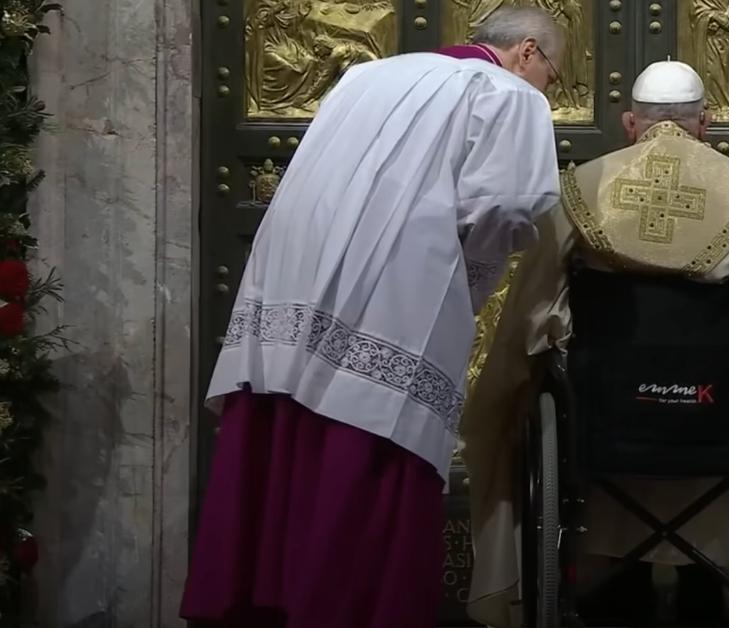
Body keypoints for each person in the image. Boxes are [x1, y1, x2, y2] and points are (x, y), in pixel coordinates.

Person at [179, 8, 564, 628]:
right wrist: (471, 283)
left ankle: (260, 599)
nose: (548, 85)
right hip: (396, 291)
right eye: (553, 71)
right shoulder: (507, 95)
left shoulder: (367, 76)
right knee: (365, 446)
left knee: (288, 429)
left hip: (295, 276)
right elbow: (505, 207)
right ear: (526, 53)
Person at [461, 60, 729, 627]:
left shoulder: (578, 191)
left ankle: (606, 582)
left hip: (604, 434)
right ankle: (711, 584)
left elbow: (530, 316)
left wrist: (503, 397)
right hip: (723, 434)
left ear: (629, 123)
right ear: (705, 124)